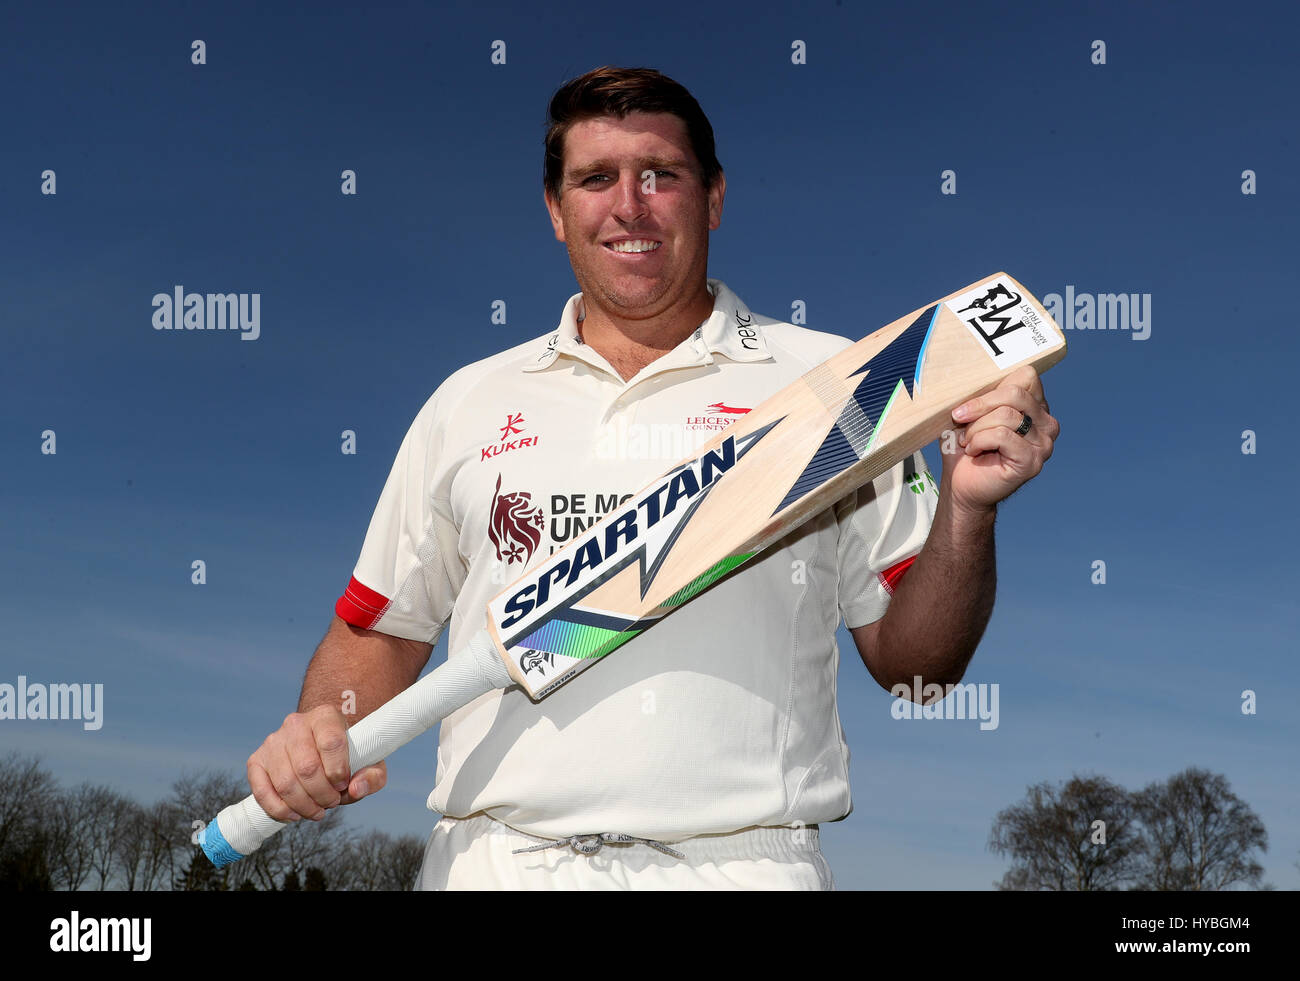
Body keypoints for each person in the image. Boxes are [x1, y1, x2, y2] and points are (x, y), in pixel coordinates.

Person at [245, 66, 1059, 890]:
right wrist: (324, 725)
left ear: (712, 197)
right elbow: (380, 629)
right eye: (595, 178)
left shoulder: (840, 385)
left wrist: (966, 507)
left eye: (660, 176)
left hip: (742, 863)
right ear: (557, 211)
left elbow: (916, 668)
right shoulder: (470, 401)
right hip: (494, 863)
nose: (629, 205)